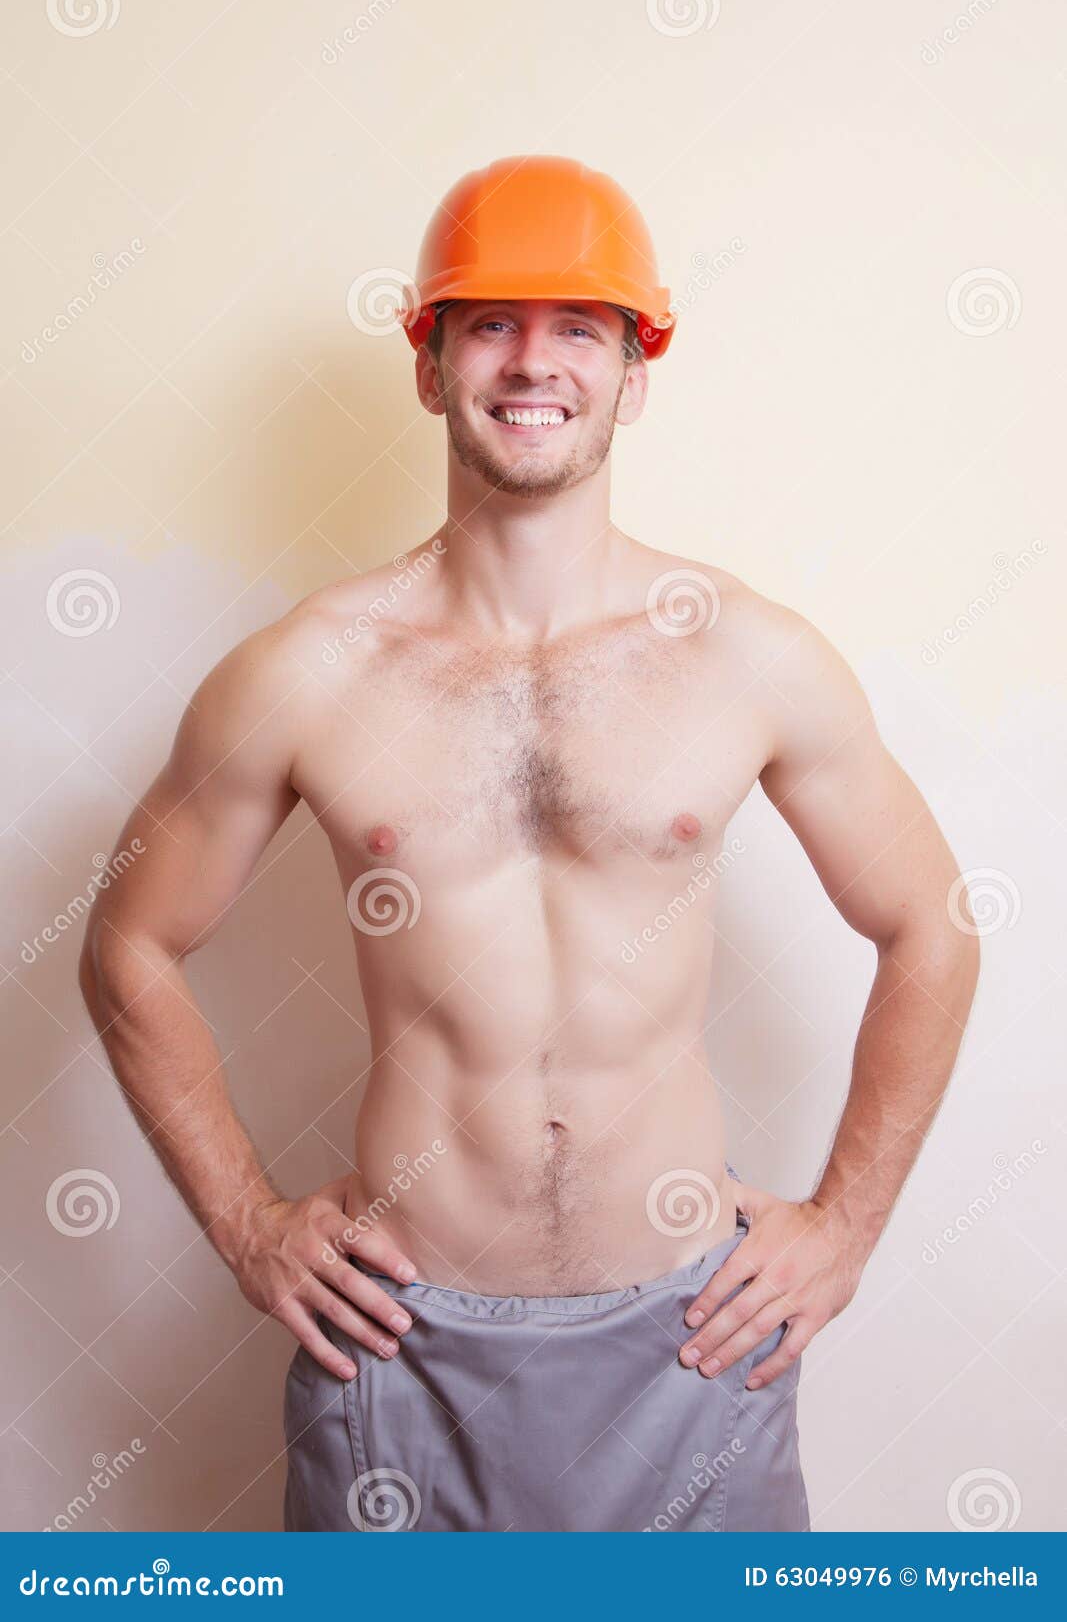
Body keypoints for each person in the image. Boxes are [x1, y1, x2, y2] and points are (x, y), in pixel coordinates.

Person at [79, 155, 980, 1533]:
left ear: (636, 369)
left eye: (579, 326)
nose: (532, 361)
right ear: (430, 365)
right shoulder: (311, 668)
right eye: (490, 322)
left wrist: (842, 1227)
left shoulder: (746, 654)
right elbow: (128, 943)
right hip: (400, 1353)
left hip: (696, 1344)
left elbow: (933, 925)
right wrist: (253, 1224)